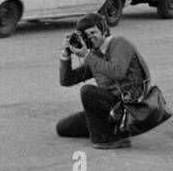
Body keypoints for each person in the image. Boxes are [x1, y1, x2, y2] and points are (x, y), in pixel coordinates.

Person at [56, 12, 149, 149]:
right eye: (86, 35)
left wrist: (86, 55)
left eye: (93, 32)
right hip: (111, 108)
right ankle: (108, 129)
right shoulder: (95, 53)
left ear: (104, 31)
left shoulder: (119, 43)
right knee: (63, 128)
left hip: (131, 107)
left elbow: (116, 72)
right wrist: (66, 54)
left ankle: (110, 139)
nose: (90, 38)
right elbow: (67, 80)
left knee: (87, 91)